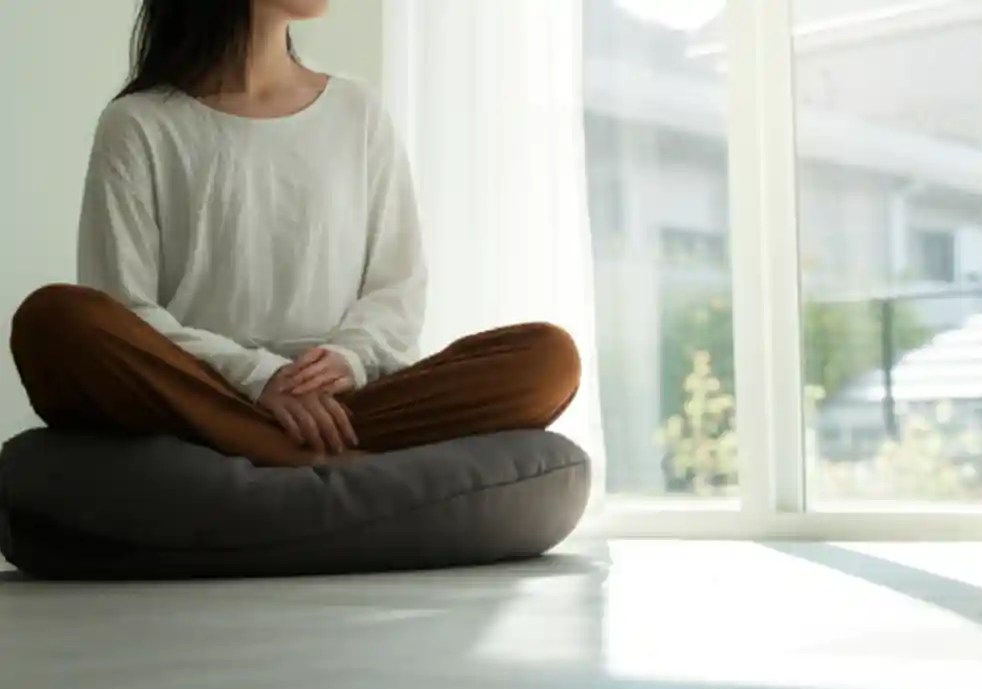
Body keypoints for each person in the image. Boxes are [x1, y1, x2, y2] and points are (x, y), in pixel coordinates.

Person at [8, 0, 580, 467]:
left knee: (548, 359)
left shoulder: (358, 112)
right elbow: (126, 309)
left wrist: (348, 359)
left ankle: (269, 448)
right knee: (54, 320)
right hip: (203, 388)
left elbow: (397, 288)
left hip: (346, 400)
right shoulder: (139, 125)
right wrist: (261, 380)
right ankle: (319, 456)